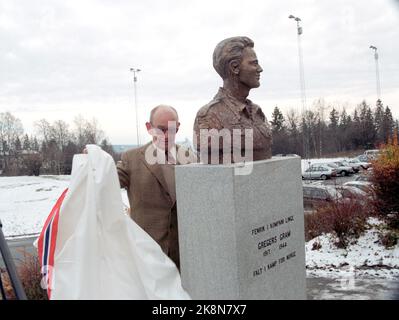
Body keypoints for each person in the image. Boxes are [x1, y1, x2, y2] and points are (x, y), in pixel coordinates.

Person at [117, 105, 195, 270]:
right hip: (147, 256)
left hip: (185, 255)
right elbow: (107, 181)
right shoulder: (131, 159)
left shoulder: (190, 158)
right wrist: (92, 163)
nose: (166, 135)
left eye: (171, 130)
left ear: (178, 127)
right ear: (149, 128)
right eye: (161, 129)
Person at [193, 36, 272, 164]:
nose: (260, 69)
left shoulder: (258, 113)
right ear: (234, 67)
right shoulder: (209, 116)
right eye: (254, 63)